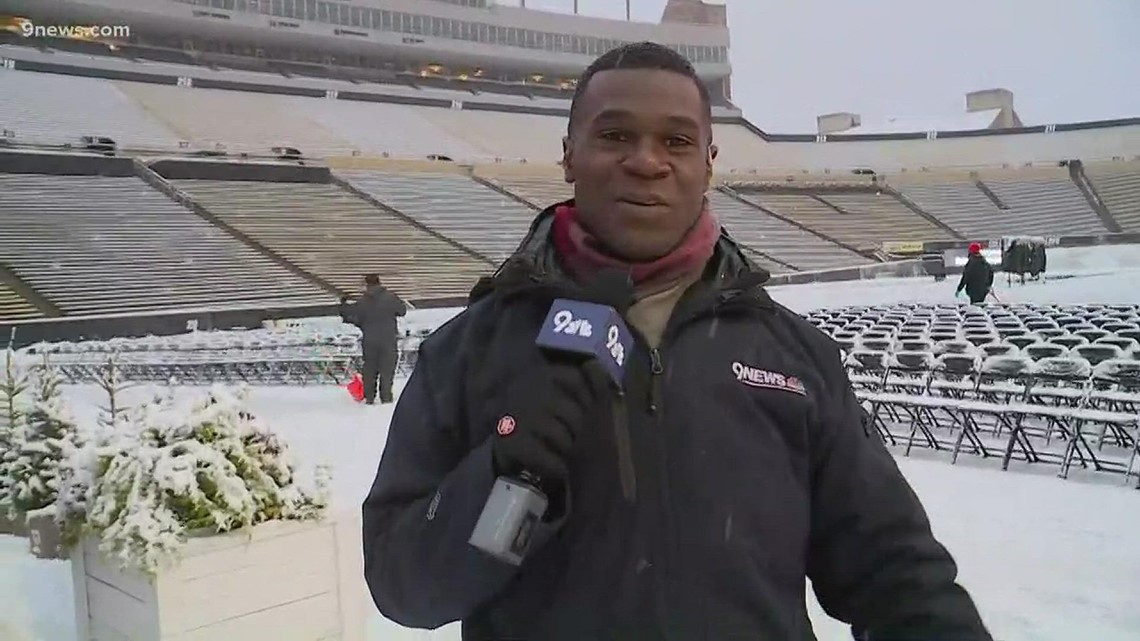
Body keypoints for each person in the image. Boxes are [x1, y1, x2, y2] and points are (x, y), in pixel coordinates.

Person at [362, 42, 992, 640]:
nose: (646, 160)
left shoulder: (796, 356)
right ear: (568, 154)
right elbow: (402, 585)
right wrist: (500, 472)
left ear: (707, 164)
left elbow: (893, 569)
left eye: (677, 140)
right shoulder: (468, 351)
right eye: (615, 135)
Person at [339, 274, 406, 404]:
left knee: (370, 368)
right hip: (388, 339)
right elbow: (402, 311)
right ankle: (386, 396)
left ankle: (370, 397)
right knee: (387, 369)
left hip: (369, 340)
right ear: (379, 283)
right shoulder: (390, 297)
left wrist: (343, 304)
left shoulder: (363, 301)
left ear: (367, 285)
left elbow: (350, 315)